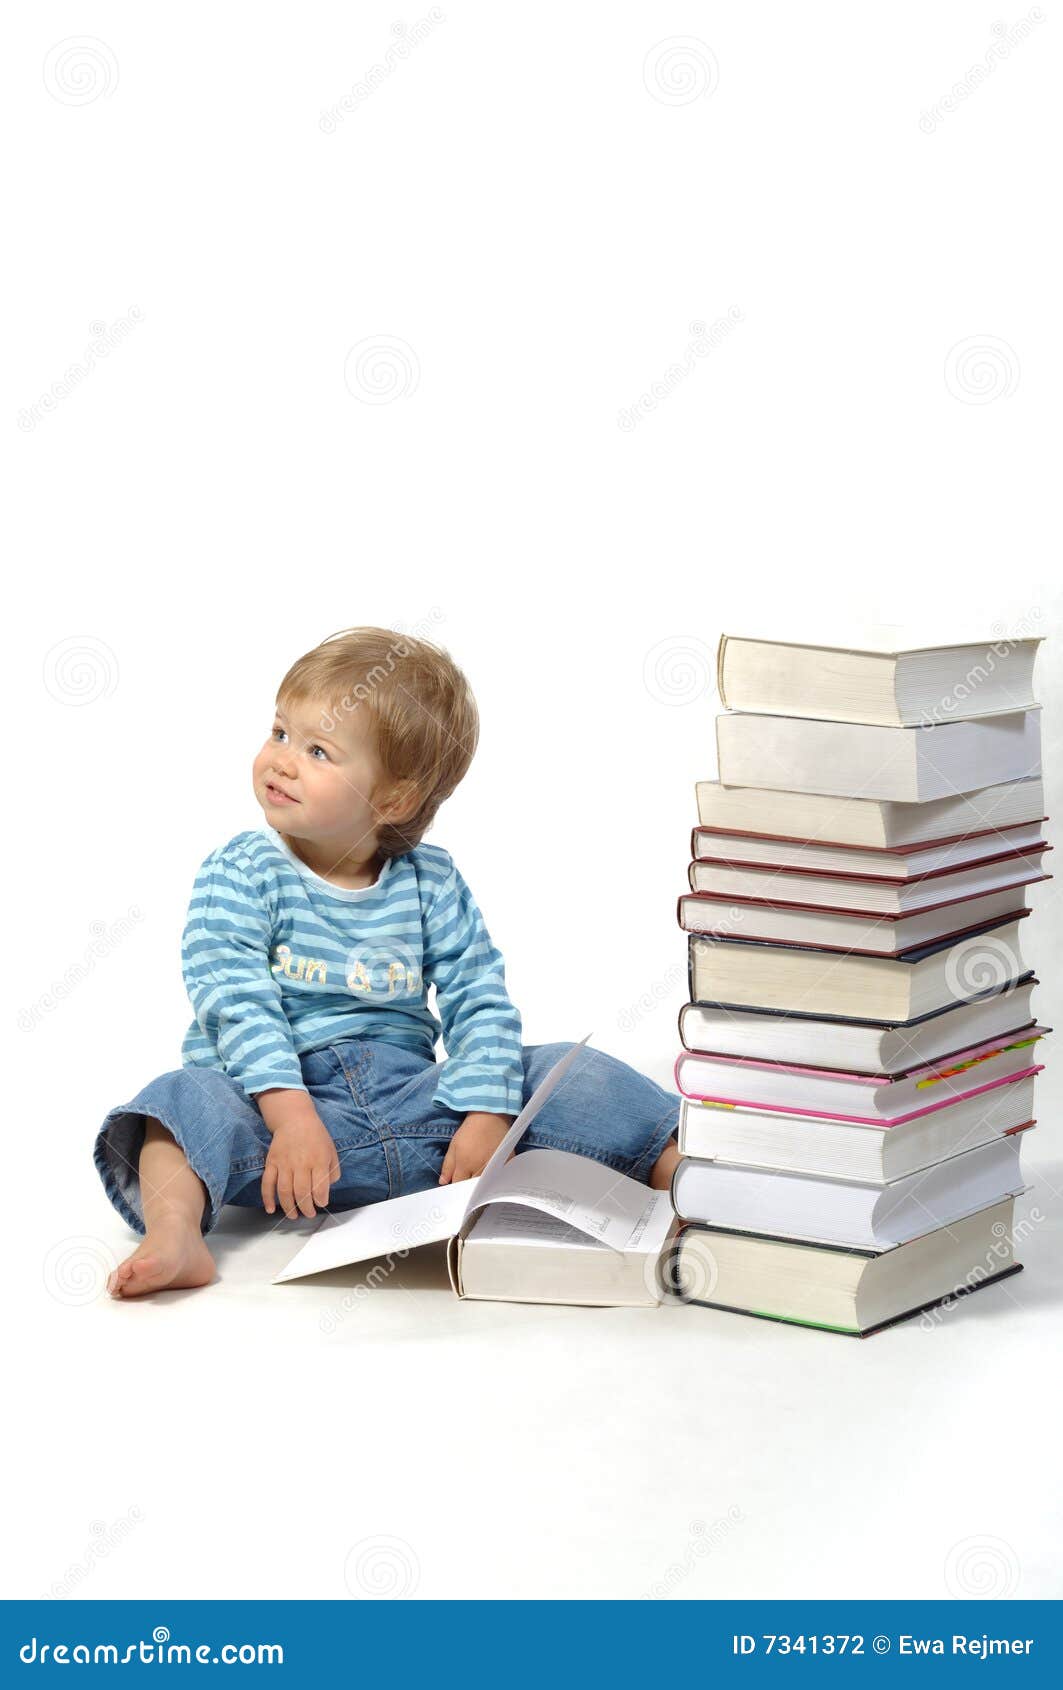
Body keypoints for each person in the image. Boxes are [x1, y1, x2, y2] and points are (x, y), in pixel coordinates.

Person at [93, 626, 682, 1297]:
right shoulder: (244, 869)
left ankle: (682, 1173)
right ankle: (175, 1234)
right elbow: (233, 995)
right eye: (280, 732)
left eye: (318, 751)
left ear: (393, 800)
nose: (282, 761)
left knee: (566, 1073)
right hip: (286, 1122)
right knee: (178, 1099)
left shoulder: (428, 881)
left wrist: (486, 1115)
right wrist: (290, 1118)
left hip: (418, 1106)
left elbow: (477, 995)